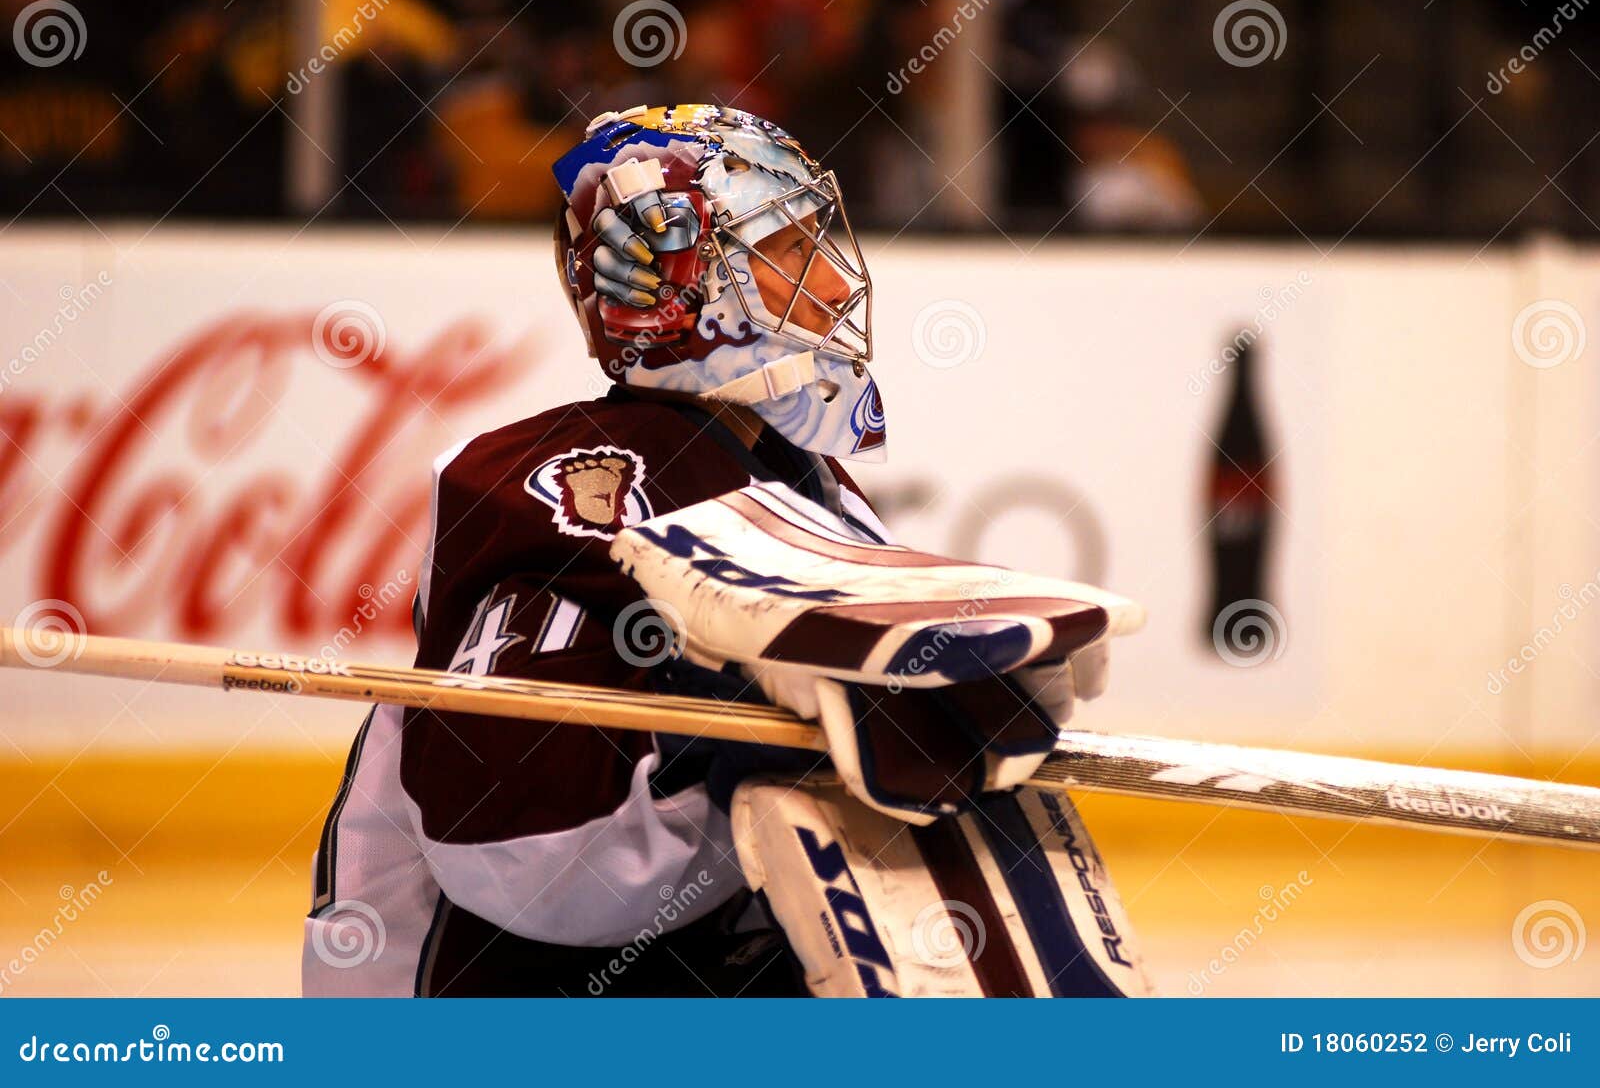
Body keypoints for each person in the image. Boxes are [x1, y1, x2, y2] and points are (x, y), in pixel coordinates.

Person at [303, 104, 1141, 997]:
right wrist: (732, 752)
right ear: (675, 287)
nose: (833, 281)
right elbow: (509, 846)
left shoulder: (809, 483)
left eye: (820, 238)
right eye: (786, 246)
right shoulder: (567, 484)